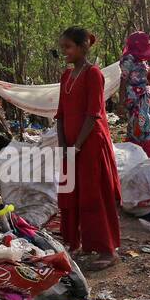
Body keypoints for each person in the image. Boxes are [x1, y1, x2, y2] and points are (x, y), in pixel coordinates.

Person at [56, 27, 121, 271]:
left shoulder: (93, 74)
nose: (65, 51)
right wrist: (64, 146)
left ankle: (107, 249)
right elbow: (61, 115)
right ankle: (75, 242)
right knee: (71, 192)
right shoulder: (66, 77)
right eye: (63, 47)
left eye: (68, 47)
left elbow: (93, 114)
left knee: (94, 195)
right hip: (71, 146)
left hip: (90, 144)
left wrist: (77, 146)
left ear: (83, 47)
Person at [118, 32, 150, 157]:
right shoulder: (128, 59)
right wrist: (121, 103)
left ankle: (143, 158)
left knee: (143, 129)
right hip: (135, 100)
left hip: (145, 99)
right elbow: (123, 80)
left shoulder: (143, 60)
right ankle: (147, 158)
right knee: (146, 129)